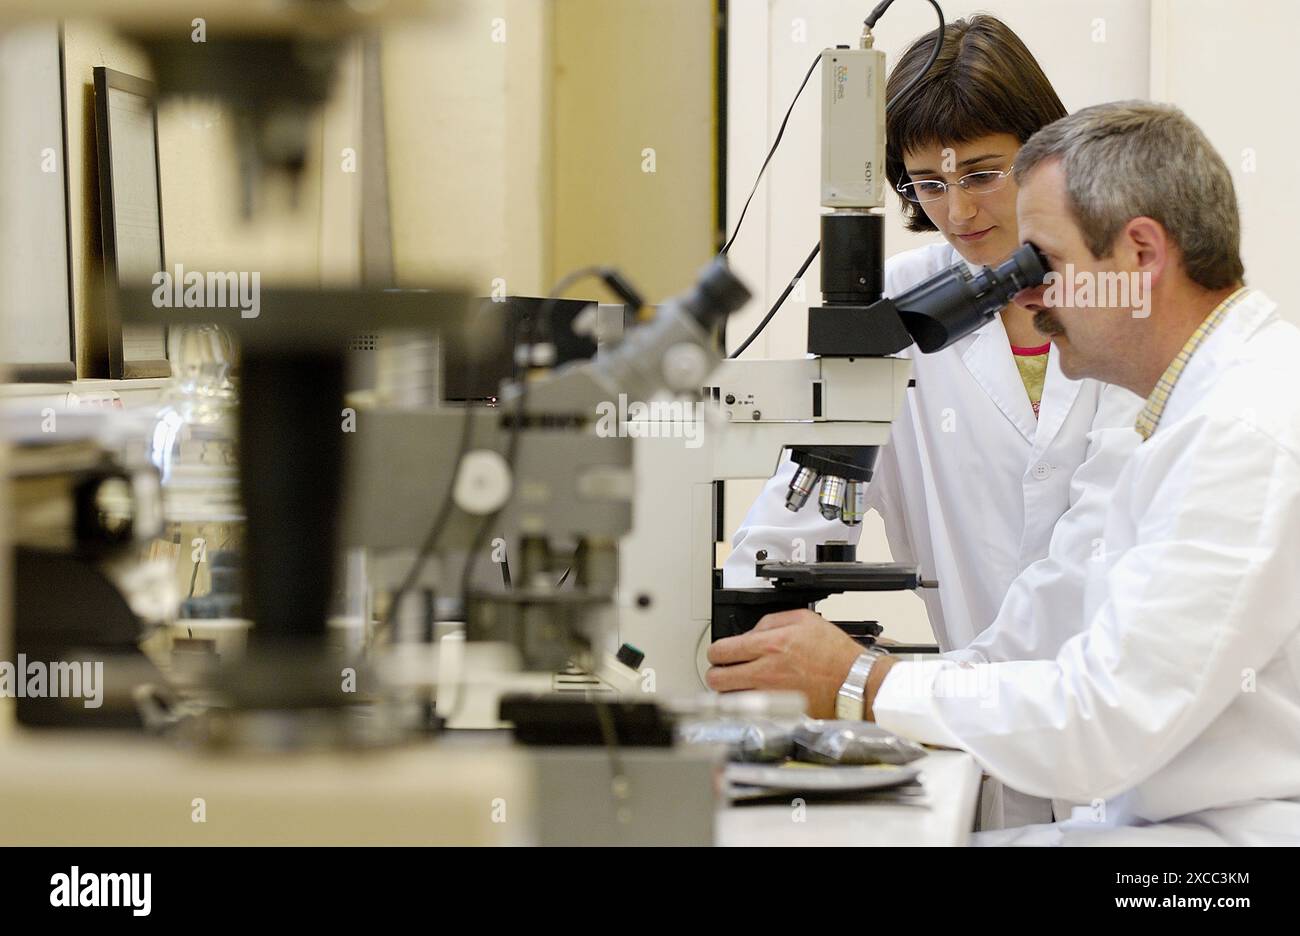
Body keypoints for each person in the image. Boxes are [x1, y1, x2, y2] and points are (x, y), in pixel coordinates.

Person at [716, 100, 1300, 845]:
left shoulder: (1240, 428)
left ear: (1142, 256)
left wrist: (862, 683)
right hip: (1164, 821)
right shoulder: (1200, 403)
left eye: (1042, 264)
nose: (1021, 296)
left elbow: (1102, 719)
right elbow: (1057, 610)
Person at [723, 15, 1141, 827]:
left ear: (1046, 153)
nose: (956, 210)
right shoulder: (892, 309)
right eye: (926, 182)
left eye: (982, 174)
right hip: (973, 749)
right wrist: (744, 631)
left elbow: (1086, 573)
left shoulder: (1118, 302)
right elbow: (789, 528)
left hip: (1123, 754)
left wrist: (870, 682)